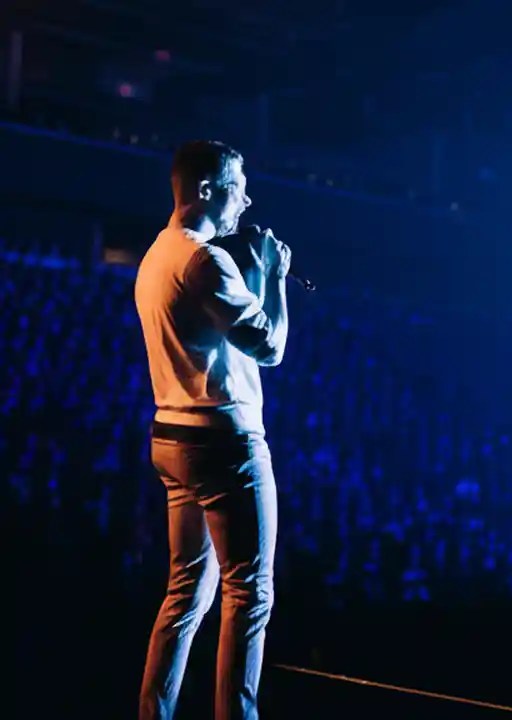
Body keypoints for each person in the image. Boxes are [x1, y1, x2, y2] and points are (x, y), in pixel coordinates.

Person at [135, 140, 291, 720]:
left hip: (172, 435)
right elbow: (270, 346)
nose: (246, 198)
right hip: (224, 443)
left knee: (185, 593)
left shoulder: (156, 256)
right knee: (249, 594)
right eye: (237, 186)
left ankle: (155, 712)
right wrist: (273, 276)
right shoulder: (204, 260)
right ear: (206, 190)